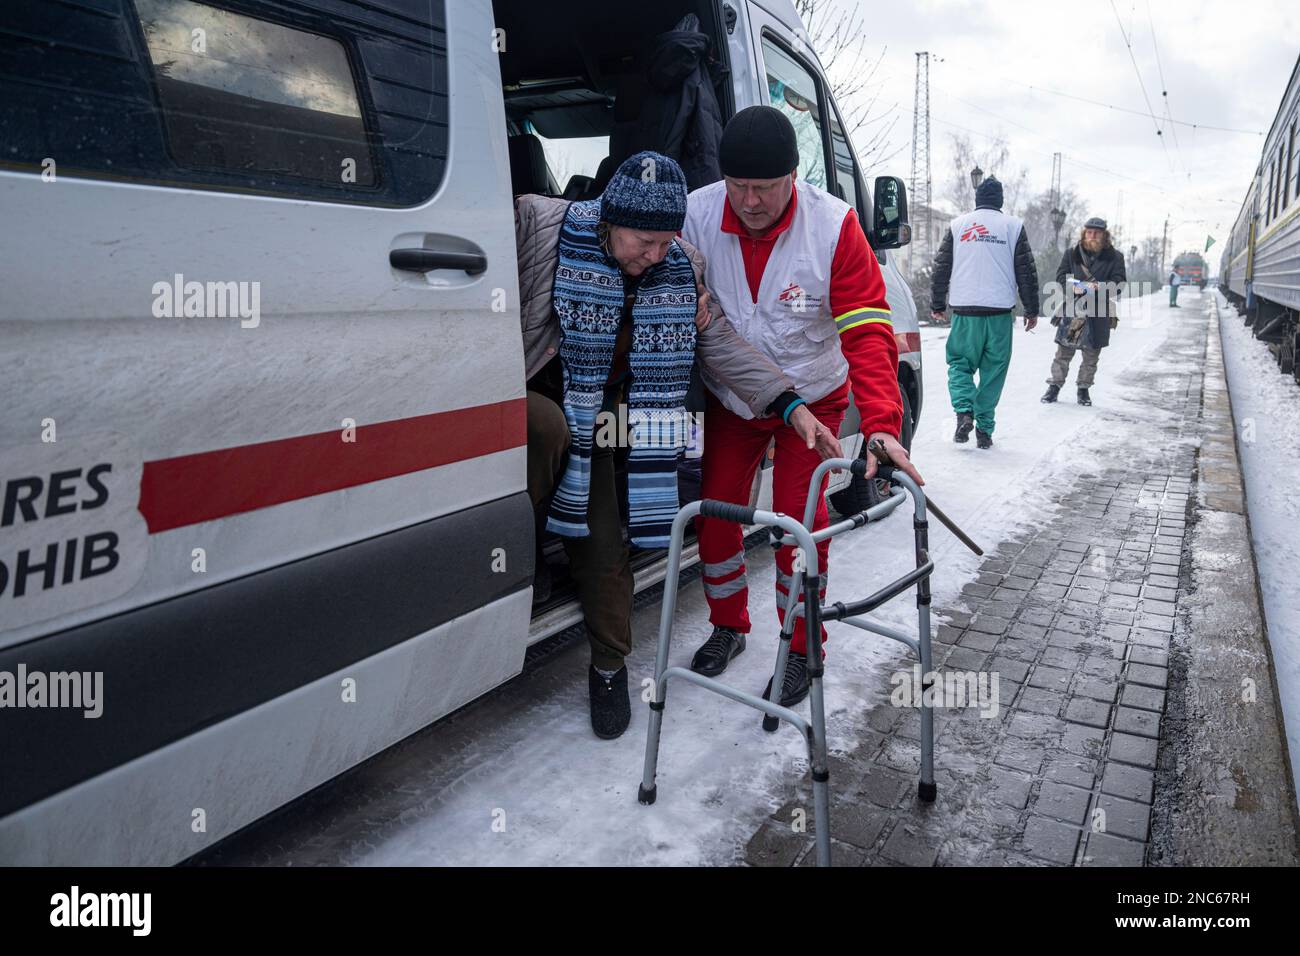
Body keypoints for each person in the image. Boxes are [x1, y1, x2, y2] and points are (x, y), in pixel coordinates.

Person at [516, 150, 839, 739]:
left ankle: (609, 667)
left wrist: (789, 405)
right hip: (535, 395)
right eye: (645, 242)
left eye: (667, 243)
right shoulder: (539, 228)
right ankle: (522, 551)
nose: (655, 256)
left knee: (603, 536)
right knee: (547, 430)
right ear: (610, 220)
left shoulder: (677, 267)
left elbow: (721, 344)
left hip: (608, 418)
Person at [680, 106, 923, 708]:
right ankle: (728, 625)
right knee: (717, 517)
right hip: (736, 396)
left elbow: (868, 333)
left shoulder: (834, 227)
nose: (751, 201)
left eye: (765, 187)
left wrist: (883, 426)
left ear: (794, 175)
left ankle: (801, 646)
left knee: (799, 529)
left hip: (814, 393)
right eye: (739, 186)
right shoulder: (697, 212)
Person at [930, 176, 1040, 449]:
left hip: (966, 312)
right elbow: (1026, 271)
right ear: (1000, 200)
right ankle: (985, 431)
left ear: (977, 199)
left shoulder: (958, 225)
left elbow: (941, 267)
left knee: (959, 364)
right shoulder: (1013, 227)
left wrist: (937, 304)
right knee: (994, 372)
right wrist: (1032, 308)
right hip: (1000, 313)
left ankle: (964, 411)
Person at [1042, 217, 1128, 407]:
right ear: (1084, 233)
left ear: (1105, 235)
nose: (1093, 235)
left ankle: (1083, 389)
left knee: (1091, 355)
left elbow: (1119, 283)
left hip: (1099, 310)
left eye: (1097, 232)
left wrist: (1099, 286)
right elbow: (1061, 275)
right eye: (1089, 232)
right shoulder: (1072, 253)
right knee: (1064, 352)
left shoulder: (1116, 257)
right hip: (1076, 308)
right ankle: (1054, 387)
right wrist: (1073, 288)